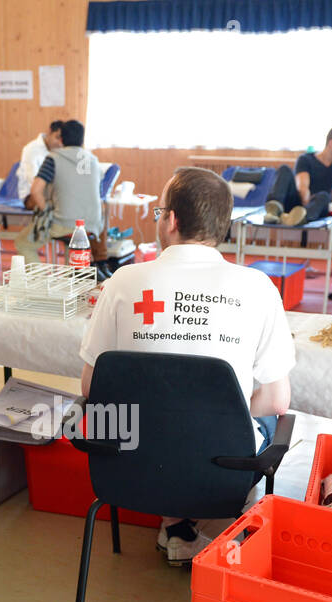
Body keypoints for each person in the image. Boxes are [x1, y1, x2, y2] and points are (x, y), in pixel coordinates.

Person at [79, 167, 295, 564]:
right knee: (256, 418)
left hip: (129, 464)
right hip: (223, 469)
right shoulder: (258, 288)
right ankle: (204, 529)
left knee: (158, 415)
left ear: (171, 220)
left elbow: (93, 391)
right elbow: (277, 400)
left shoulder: (124, 282)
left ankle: (177, 524)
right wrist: (213, 417)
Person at [15, 119, 108, 276]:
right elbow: (100, 198)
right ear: (82, 139)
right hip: (93, 226)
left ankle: (41, 284)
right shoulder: (94, 160)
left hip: (64, 224)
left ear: (62, 139)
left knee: (23, 243)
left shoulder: (53, 158)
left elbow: (36, 191)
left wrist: (46, 211)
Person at [264, 126, 332, 225]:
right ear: (331, 143)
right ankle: (274, 211)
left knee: (324, 196)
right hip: (299, 202)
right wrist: (306, 204)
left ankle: (299, 218)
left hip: (316, 206)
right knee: (284, 169)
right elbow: (302, 188)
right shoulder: (306, 159)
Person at [17, 120, 63, 204]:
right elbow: (32, 180)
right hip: (30, 197)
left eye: (62, 140)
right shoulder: (31, 149)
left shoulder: (60, 151)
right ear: (49, 132)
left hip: (50, 195)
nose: (59, 143)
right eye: (57, 137)